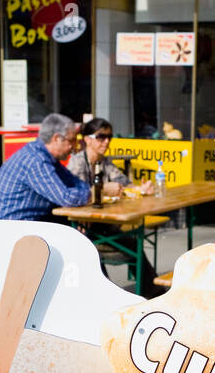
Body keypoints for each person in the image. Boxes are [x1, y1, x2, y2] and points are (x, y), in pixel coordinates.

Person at [67, 117, 158, 296]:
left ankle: (151, 292)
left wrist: (140, 189)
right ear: (87, 139)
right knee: (98, 254)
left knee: (134, 246)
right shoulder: (77, 163)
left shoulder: (104, 161)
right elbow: (75, 197)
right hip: (84, 227)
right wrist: (103, 191)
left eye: (109, 137)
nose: (106, 141)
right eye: (101, 136)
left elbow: (123, 183)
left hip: (104, 223)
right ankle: (109, 296)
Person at [0, 113, 91, 222]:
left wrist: (88, 191)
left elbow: (73, 181)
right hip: (14, 229)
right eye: (71, 140)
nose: (74, 146)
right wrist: (92, 194)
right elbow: (66, 198)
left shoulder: (45, 156)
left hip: (31, 223)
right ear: (56, 138)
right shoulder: (36, 160)